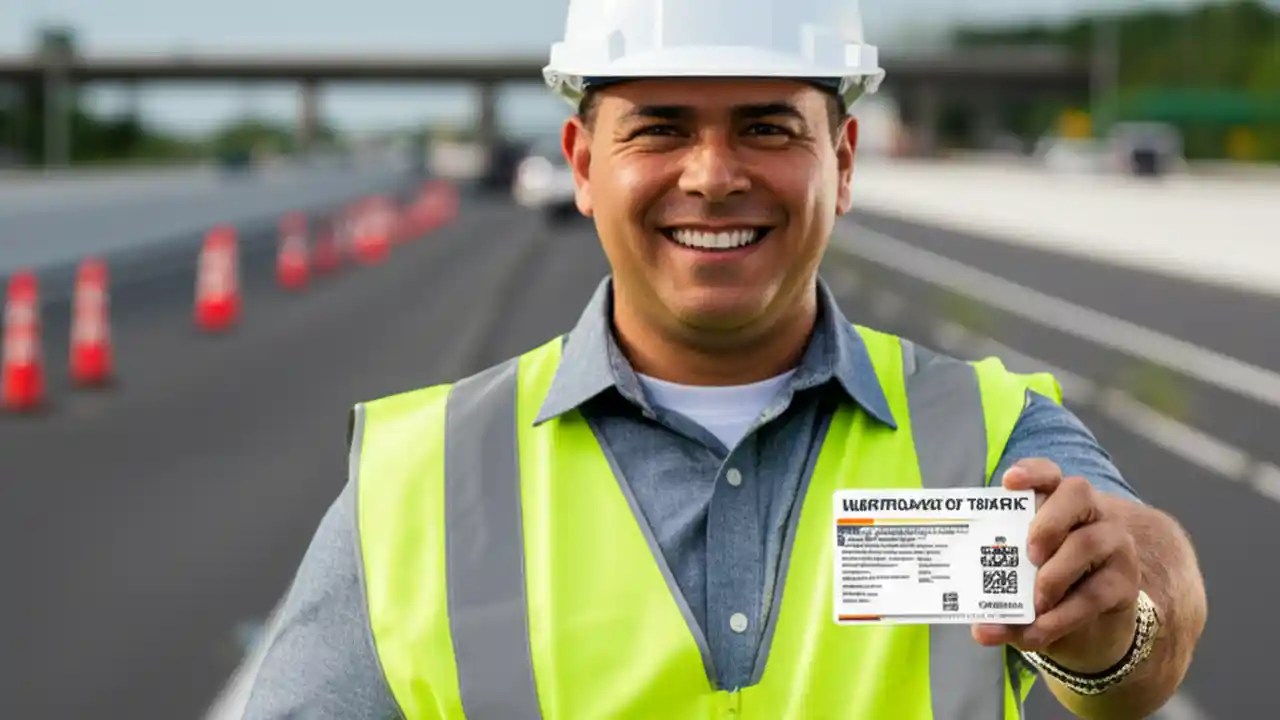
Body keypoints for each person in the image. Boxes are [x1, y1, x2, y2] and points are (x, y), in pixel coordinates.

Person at [241, 1, 1207, 717]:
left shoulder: (987, 434)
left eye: (766, 126)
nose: (713, 175)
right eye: (661, 127)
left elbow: (1143, 605)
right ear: (582, 165)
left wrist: (1113, 622)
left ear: (845, 161)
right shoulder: (418, 480)